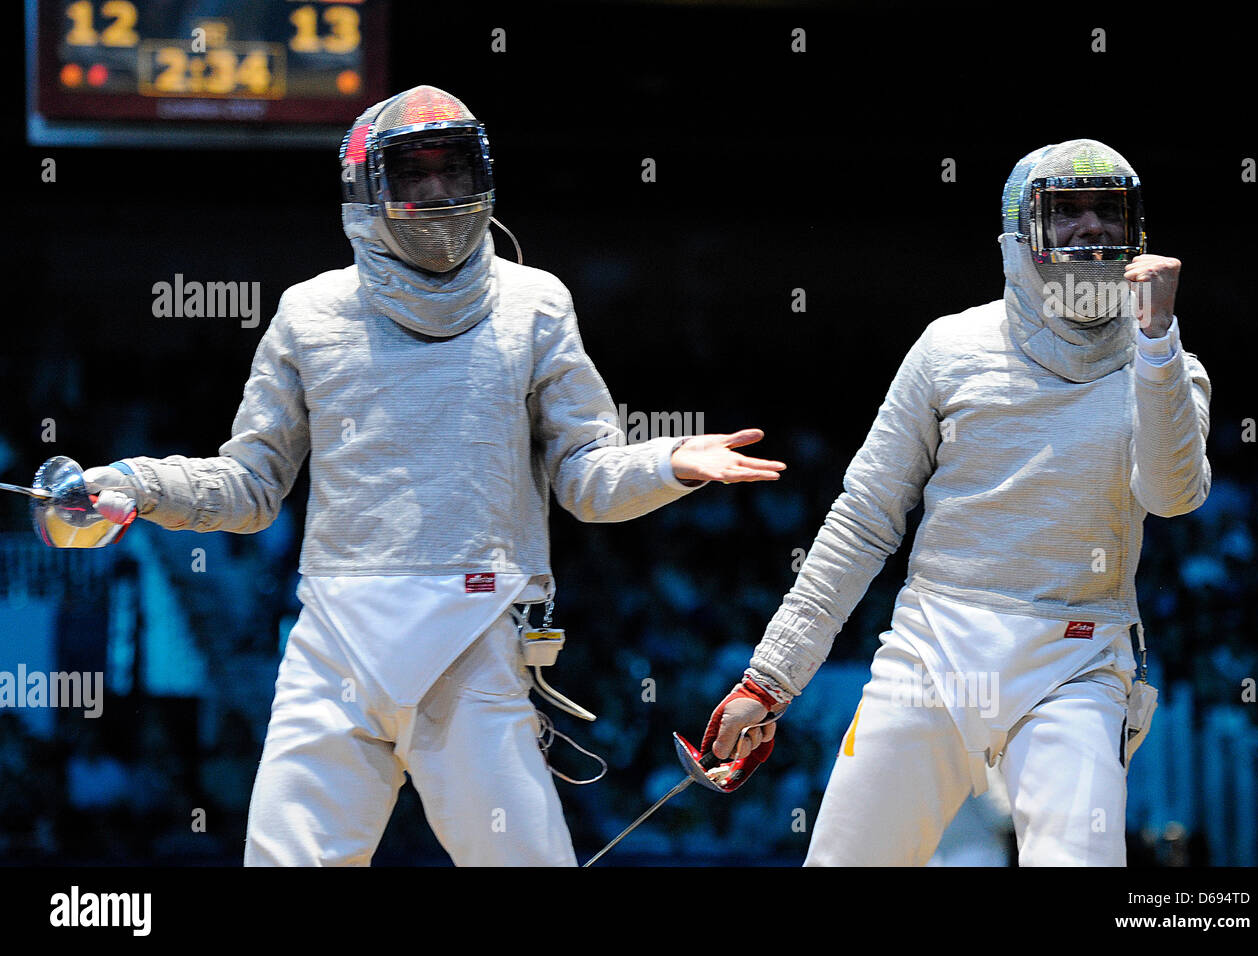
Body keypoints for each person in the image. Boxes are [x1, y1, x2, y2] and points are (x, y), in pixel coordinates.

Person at [83, 85, 785, 866]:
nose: (441, 193)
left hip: (476, 640)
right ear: (368, 191)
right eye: (416, 176)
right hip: (336, 648)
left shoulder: (534, 303)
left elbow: (585, 478)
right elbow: (251, 487)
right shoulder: (309, 315)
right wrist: (138, 483)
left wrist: (667, 461)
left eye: (453, 171)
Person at [697, 139, 1210, 866]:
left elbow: (1173, 495)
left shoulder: (1169, 366)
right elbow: (862, 521)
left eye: (1108, 210)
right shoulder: (950, 348)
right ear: (1019, 232)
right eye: (1067, 211)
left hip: (1078, 660)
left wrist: (1156, 344)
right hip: (933, 650)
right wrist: (770, 678)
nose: (1091, 227)